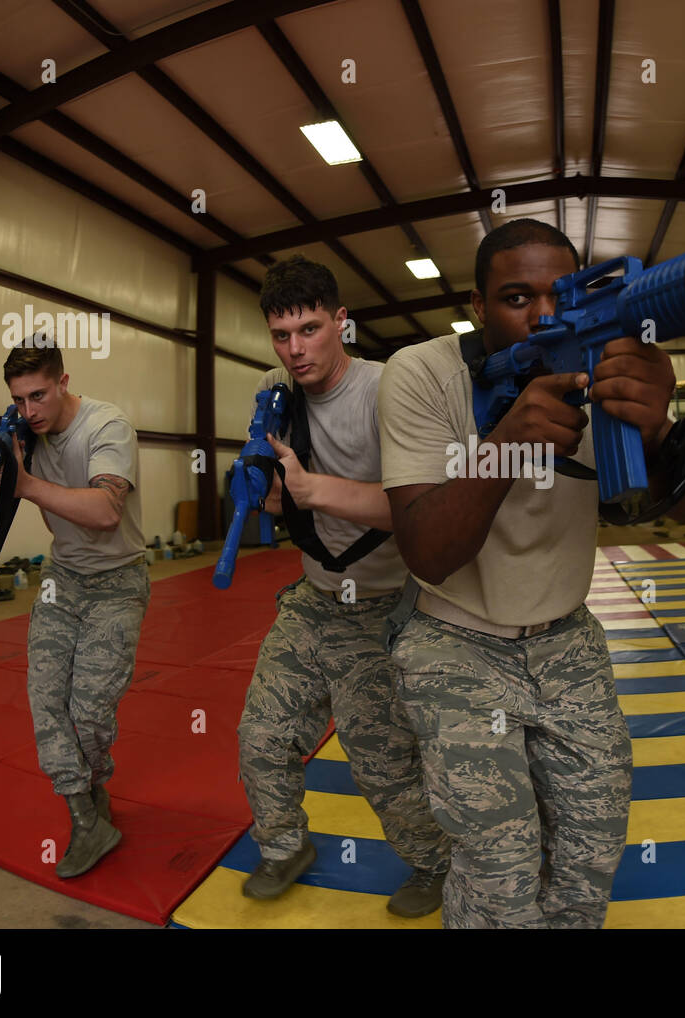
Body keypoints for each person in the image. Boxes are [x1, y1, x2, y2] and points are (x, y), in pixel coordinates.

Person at [377, 218, 685, 928]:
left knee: (592, 851)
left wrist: (662, 424)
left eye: (557, 294)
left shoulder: (607, 362)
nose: (541, 314)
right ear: (477, 306)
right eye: (514, 297)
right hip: (453, 642)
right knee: (499, 873)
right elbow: (427, 550)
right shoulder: (423, 373)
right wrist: (505, 443)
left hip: (567, 636)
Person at [235, 256, 449, 916]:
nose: (295, 350)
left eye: (309, 329)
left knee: (380, 760)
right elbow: (278, 489)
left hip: (385, 601)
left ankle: (432, 864)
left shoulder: (390, 389)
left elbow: (427, 507)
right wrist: (272, 496)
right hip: (313, 596)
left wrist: (314, 490)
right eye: (281, 334)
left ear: (341, 323)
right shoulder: (275, 390)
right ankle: (284, 846)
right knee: (261, 737)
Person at [0, 339, 149, 878]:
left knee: (90, 709)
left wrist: (28, 482)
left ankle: (95, 789)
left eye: (38, 396)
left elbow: (104, 511)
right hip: (62, 578)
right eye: (19, 400)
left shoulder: (107, 426)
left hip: (118, 579)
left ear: (62, 382)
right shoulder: (25, 434)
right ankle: (85, 817)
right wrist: (3, 463)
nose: (30, 410)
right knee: (45, 698)